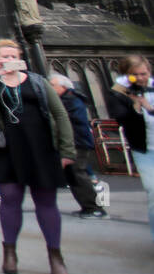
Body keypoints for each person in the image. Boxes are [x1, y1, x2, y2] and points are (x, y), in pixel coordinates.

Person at [0, 39, 74, 274]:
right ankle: (10, 253)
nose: (8, 60)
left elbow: (60, 114)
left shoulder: (37, 82)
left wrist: (67, 151)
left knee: (46, 201)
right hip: (7, 149)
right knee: (10, 200)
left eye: (12, 56)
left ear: (20, 57)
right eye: (3, 56)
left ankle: (55, 256)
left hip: (41, 147)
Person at [107, 55, 154, 244]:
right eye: (135, 75)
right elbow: (120, 118)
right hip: (145, 150)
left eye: (144, 73)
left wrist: (149, 107)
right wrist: (136, 106)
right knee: (153, 192)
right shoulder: (119, 93)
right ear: (127, 75)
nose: (141, 78)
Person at [49, 74, 106, 218]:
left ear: (64, 87)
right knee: (73, 175)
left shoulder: (72, 100)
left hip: (77, 142)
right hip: (73, 142)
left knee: (78, 174)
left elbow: (69, 120)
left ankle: (95, 208)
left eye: (53, 86)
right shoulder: (67, 99)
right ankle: (87, 206)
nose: (50, 88)